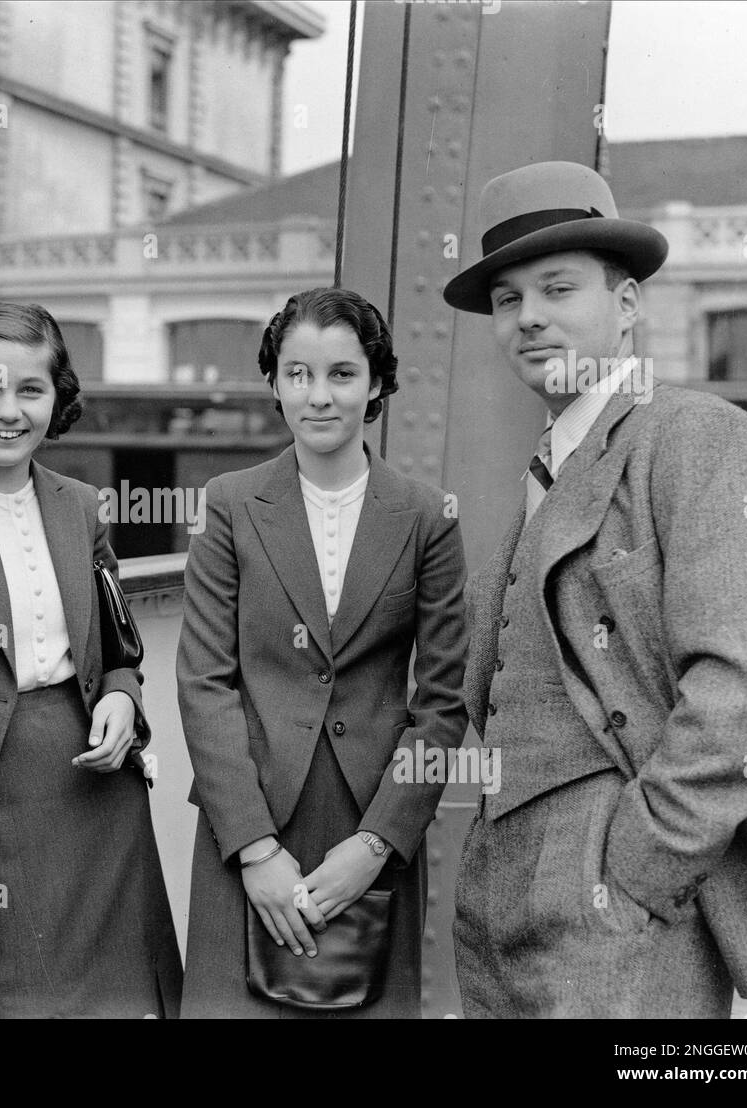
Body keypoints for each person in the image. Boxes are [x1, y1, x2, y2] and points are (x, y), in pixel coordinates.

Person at [443, 160, 747, 1017]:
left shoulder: (697, 438)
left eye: (557, 289)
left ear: (629, 304)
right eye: (506, 300)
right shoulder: (543, 470)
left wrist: (638, 864)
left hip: (620, 905)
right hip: (498, 903)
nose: (529, 318)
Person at [176, 287, 469, 1018]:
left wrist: (376, 845)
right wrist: (254, 849)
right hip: (245, 824)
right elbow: (205, 684)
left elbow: (441, 706)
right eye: (299, 373)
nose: (319, 395)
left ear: (376, 385)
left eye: (342, 374)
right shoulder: (229, 504)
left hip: (371, 827)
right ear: (275, 382)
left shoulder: (427, 518)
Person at [0, 302, 182, 1018]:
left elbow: (118, 644)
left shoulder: (82, 505)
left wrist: (123, 696)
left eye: (31, 390)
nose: (7, 411)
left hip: (98, 792)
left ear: (58, 401)